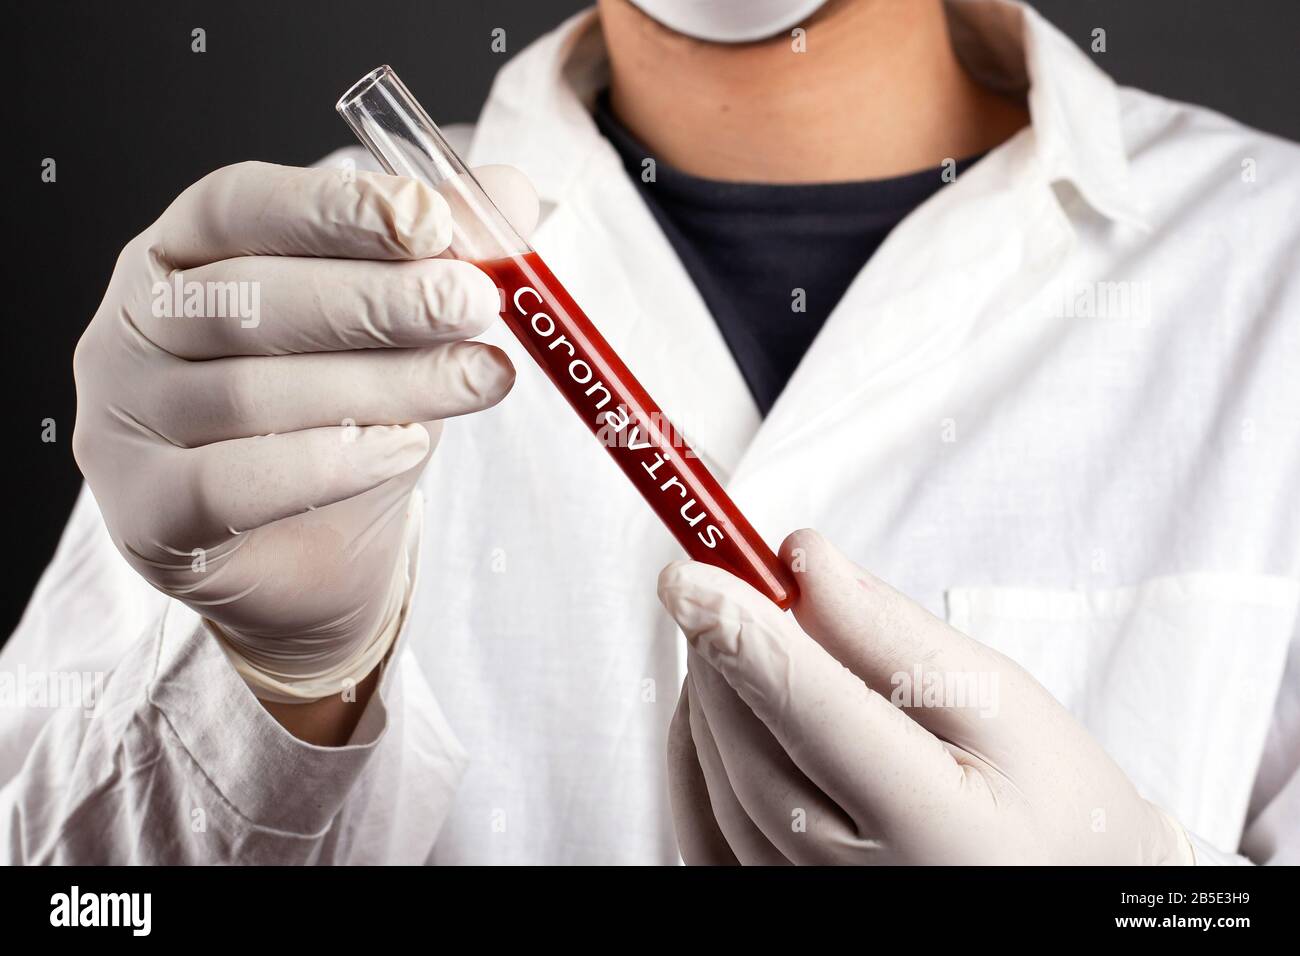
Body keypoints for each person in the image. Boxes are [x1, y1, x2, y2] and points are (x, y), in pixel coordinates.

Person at [1, 0, 1297, 864]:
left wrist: (1148, 888)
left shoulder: (1267, 257)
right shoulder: (314, 265)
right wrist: (287, 691)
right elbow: (60, 873)